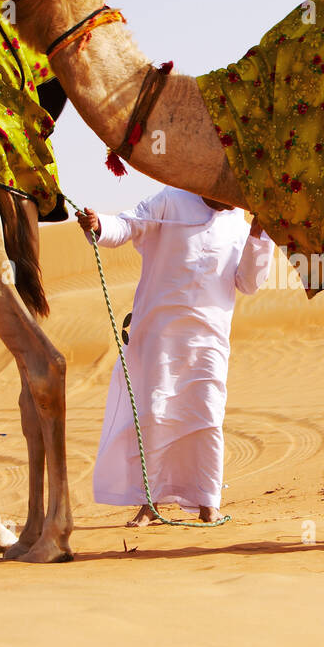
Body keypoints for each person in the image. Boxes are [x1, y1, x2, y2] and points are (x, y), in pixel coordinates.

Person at [76, 187, 275, 526]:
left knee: (207, 414)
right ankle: (149, 504)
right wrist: (99, 226)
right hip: (160, 333)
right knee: (156, 414)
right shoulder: (172, 199)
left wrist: (259, 235)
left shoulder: (240, 224)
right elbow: (129, 225)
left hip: (209, 337)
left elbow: (250, 282)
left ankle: (208, 502)